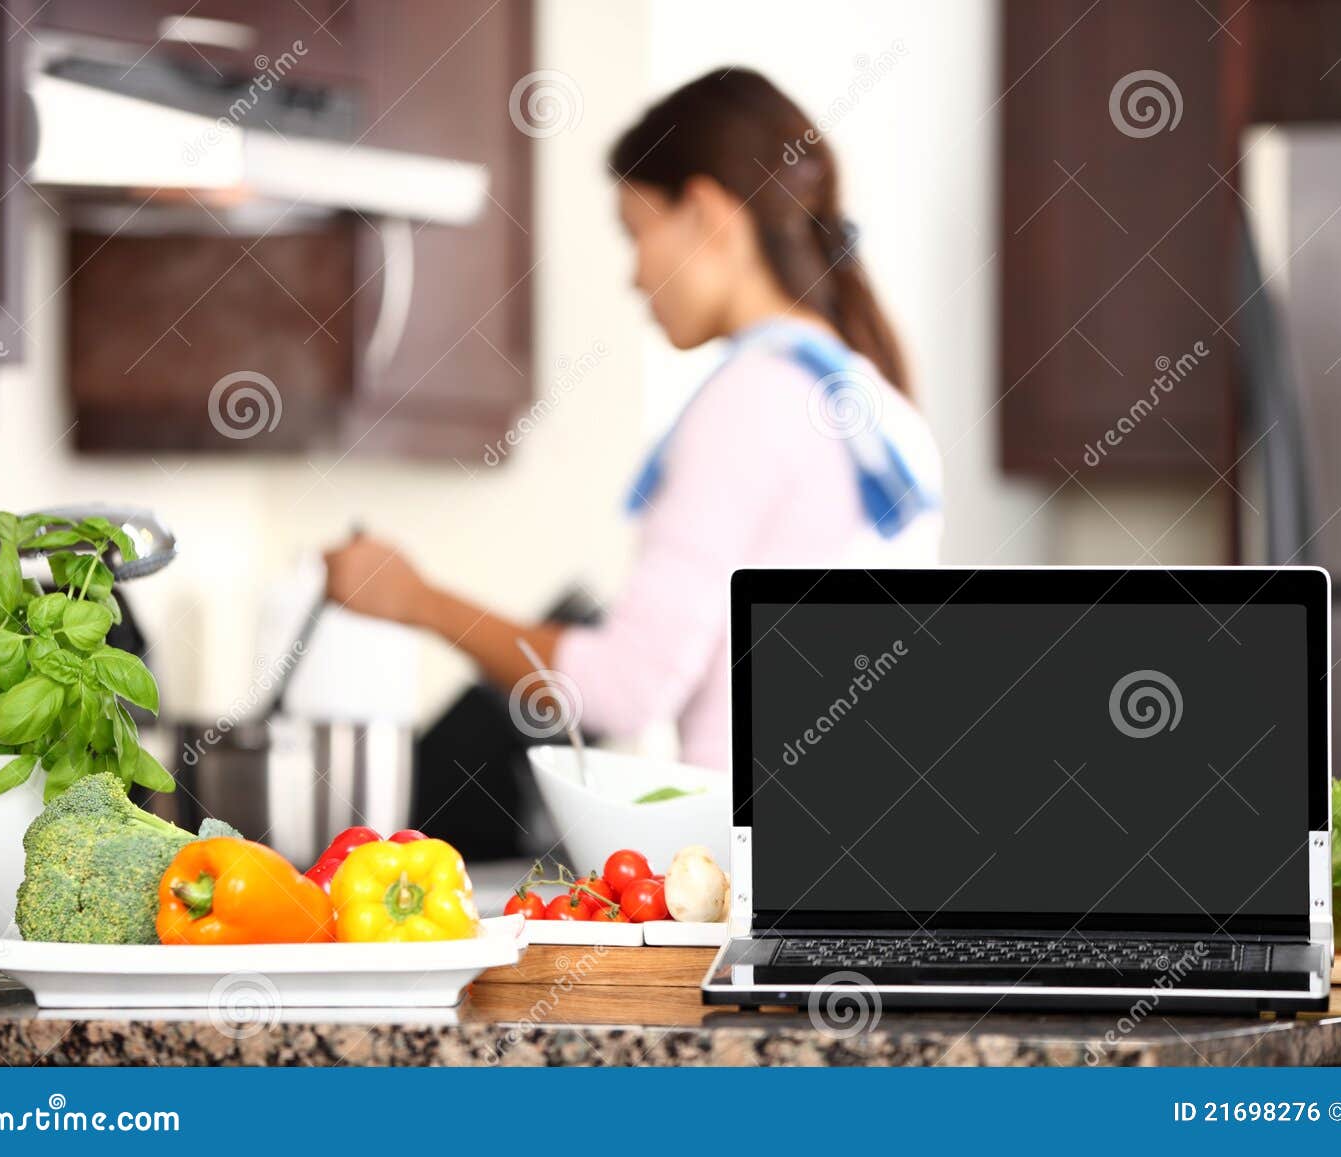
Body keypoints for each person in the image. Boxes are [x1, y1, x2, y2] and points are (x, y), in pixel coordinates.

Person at [324, 68, 942, 771]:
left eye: (637, 231)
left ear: (705, 212)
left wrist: (413, 599)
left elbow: (625, 688)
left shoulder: (753, 399)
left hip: (748, 834)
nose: (634, 275)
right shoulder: (878, 401)